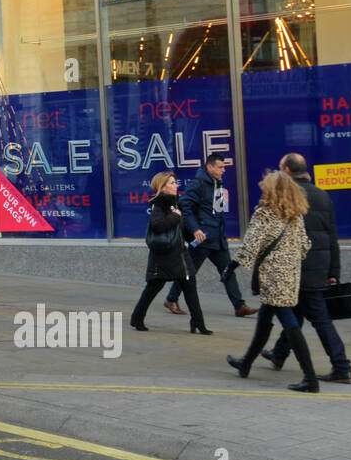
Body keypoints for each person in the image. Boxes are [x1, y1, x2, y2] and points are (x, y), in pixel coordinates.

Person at [260, 153, 351, 383]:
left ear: (288, 171)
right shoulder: (322, 196)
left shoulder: (285, 196)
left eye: (281, 167)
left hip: (295, 266)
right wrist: (333, 272)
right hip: (319, 268)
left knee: (318, 317)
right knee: (297, 312)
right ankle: (279, 354)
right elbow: (332, 238)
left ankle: (342, 367)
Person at [225, 171, 318, 392]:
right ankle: (246, 363)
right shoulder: (296, 214)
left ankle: (311, 379)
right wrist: (290, 260)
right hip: (290, 275)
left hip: (272, 277)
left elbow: (251, 244)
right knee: (265, 319)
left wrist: (231, 267)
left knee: (290, 324)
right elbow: (305, 245)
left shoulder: (265, 213)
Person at [164, 153, 258, 318]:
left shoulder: (219, 184)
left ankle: (239, 306)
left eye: (224, 167)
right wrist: (195, 229)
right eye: (220, 167)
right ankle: (171, 299)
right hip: (202, 239)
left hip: (218, 239)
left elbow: (219, 212)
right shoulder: (197, 184)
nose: (223, 170)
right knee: (189, 272)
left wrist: (222, 234)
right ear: (209, 167)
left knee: (228, 271)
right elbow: (184, 206)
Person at [130, 172, 212, 334]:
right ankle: (137, 318)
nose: (176, 185)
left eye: (175, 182)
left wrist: (194, 234)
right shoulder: (158, 204)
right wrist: (175, 216)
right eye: (172, 183)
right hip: (164, 256)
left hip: (180, 254)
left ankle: (198, 323)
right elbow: (158, 225)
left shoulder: (176, 203)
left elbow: (179, 228)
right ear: (163, 186)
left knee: (190, 287)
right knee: (153, 287)